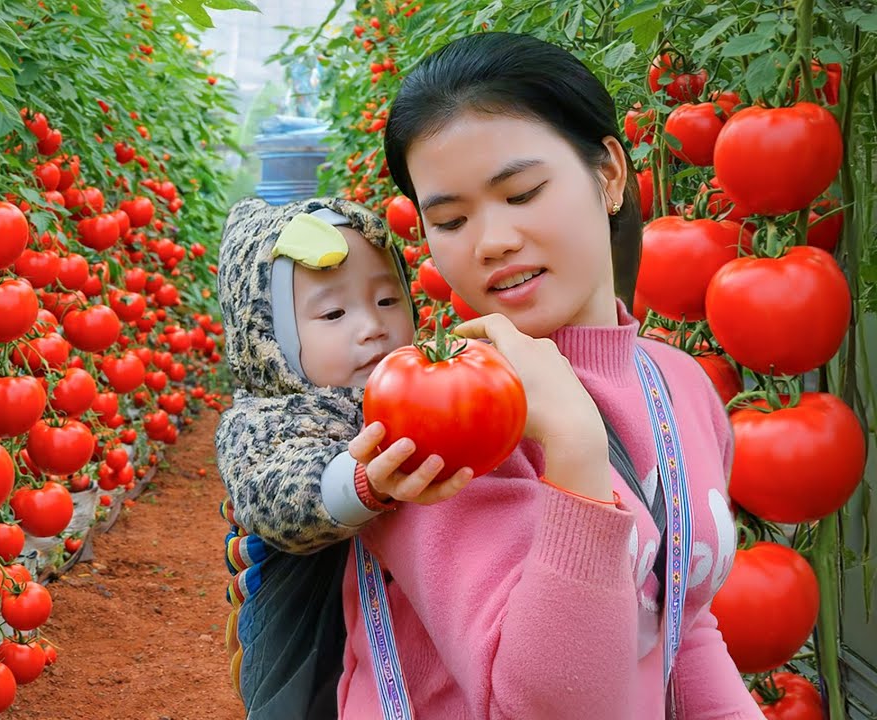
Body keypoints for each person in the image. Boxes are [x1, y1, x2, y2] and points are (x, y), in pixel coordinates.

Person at [327, 32, 761, 719]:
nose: (491, 240)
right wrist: (576, 451)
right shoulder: (438, 424)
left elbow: (678, 624)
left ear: (610, 175)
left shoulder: (681, 386)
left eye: (523, 193)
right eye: (452, 218)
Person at [212, 196, 466, 719]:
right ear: (269, 340)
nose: (372, 326)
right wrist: (359, 483)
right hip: (310, 631)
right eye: (333, 312)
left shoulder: (424, 388)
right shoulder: (265, 420)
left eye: (389, 301)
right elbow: (276, 493)